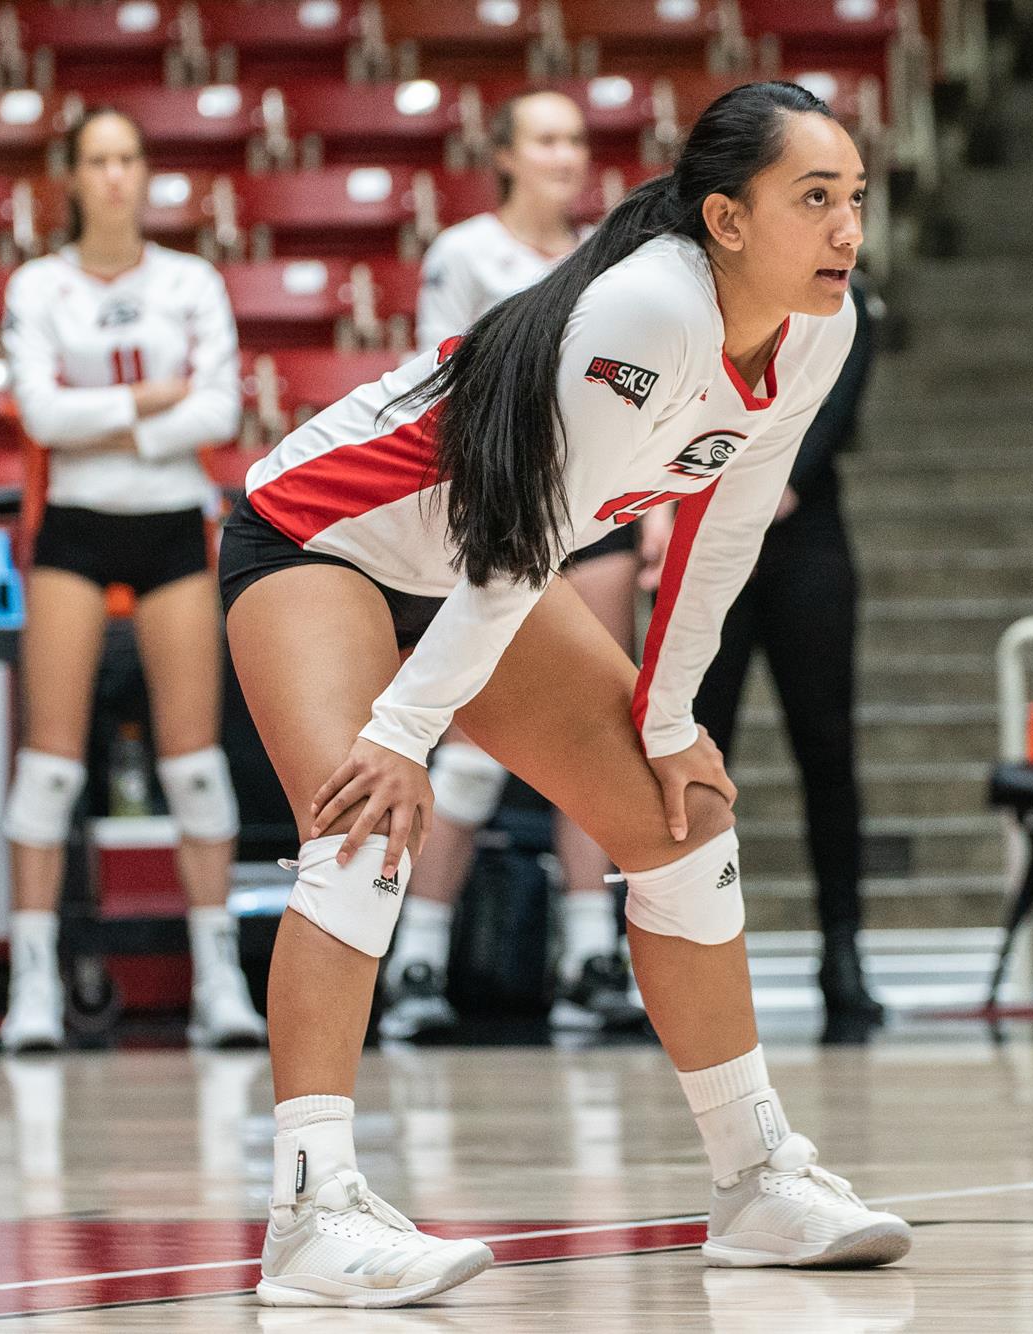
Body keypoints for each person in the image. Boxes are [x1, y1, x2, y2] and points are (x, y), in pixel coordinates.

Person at [220, 83, 911, 1307]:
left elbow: (721, 532)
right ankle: (312, 1210)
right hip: (322, 534)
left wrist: (669, 717)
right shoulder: (648, 308)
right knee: (364, 817)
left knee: (680, 816)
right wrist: (399, 735)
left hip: (471, 567)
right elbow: (518, 546)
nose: (847, 227)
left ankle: (756, 1180)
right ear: (727, 217)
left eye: (854, 197)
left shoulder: (818, 329)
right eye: (815, 199)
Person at [385, 89, 656, 1040]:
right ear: (503, 153)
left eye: (576, 139)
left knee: (597, 734)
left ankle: (589, 956)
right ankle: (417, 956)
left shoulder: (615, 258)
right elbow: (441, 386)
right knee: (471, 746)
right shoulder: (462, 255)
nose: (565, 155)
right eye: (544, 138)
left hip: (599, 511)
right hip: (506, 510)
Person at [0, 108, 264, 1052]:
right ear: (71, 176)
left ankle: (218, 981)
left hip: (167, 525)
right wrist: (154, 403)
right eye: (98, 160)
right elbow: (37, 413)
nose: (115, 175)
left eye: (129, 157)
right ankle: (30, 987)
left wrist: (110, 419)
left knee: (193, 767)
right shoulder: (40, 285)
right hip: (74, 525)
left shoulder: (189, 280)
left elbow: (223, 407)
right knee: (49, 767)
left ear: (145, 172)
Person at [690, 274, 883, 1025]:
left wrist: (778, 484)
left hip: (802, 534)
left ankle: (844, 952)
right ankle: (685, 955)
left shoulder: (848, 301)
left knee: (827, 746)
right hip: (704, 530)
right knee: (696, 748)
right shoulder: (699, 294)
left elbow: (836, 409)